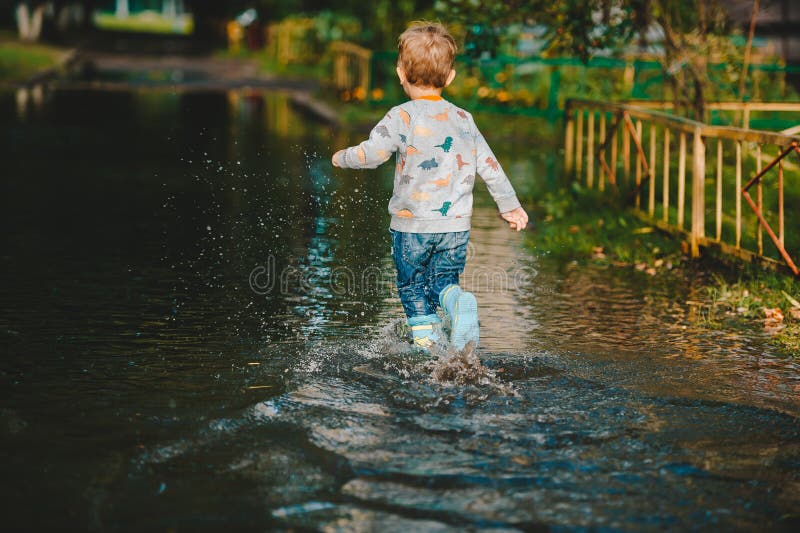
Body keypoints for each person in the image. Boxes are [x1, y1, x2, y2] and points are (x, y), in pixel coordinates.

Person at [332, 21, 528, 352]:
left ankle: (430, 348)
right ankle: (457, 302)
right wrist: (510, 206)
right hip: (455, 228)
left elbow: (373, 154)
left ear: (400, 73)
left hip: (412, 227)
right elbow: (489, 166)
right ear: (450, 78)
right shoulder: (464, 119)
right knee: (443, 283)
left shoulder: (400, 116)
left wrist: (344, 157)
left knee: (411, 285)